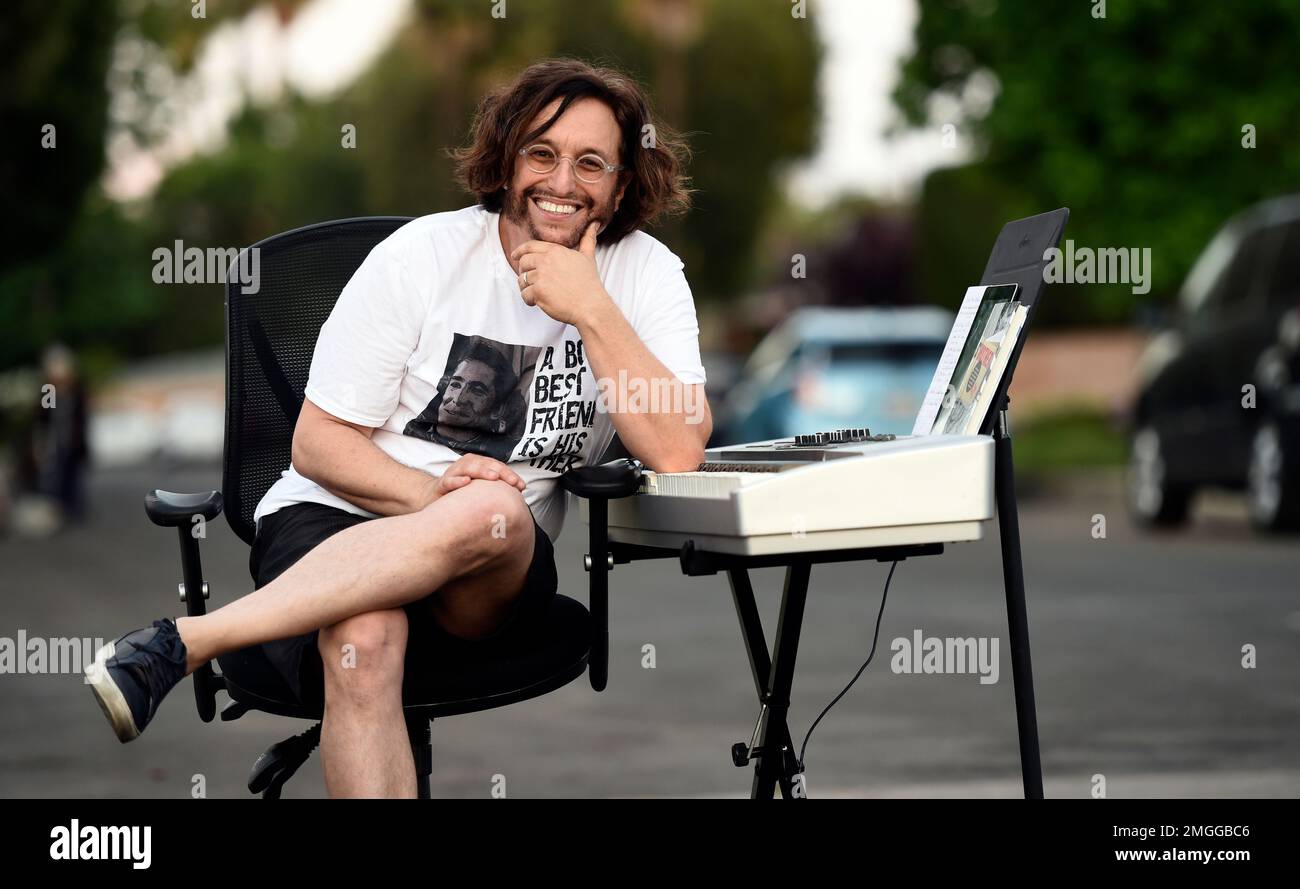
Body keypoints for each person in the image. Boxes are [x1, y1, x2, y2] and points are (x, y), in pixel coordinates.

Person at [85, 58, 711, 797]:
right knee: (363, 636)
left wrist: (592, 306)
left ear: (622, 180)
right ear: (507, 160)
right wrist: (433, 489)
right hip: (333, 522)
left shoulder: (645, 274)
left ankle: (187, 641)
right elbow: (317, 443)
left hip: (492, 570)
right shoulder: (421, 259)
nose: (562, 181)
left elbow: (676, 449)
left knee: (496, 512)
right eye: (541, 153)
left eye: (591, 162)